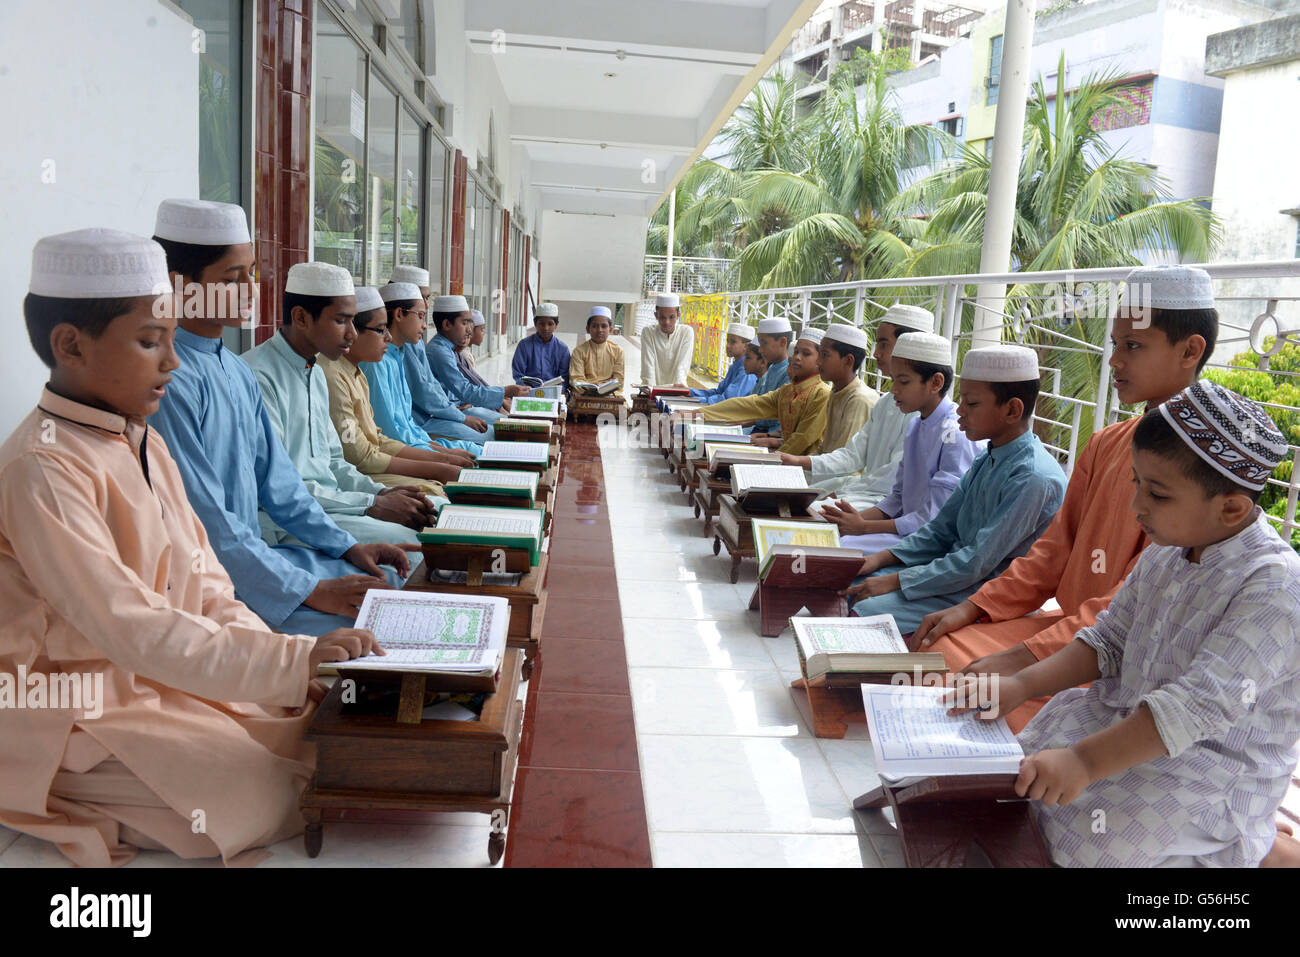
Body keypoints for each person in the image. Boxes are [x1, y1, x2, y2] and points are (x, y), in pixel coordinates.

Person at [0, 227, 382, 866]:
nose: (173, 363)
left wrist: (285, 662)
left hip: (155, 675)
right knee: (264, 794)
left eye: (173, 340)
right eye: (151, 342)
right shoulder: (43, 466)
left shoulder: (142, 439)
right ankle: (55, 784)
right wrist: (287, 662)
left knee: (317, 726)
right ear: (70, 345)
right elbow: (128, 627)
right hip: (75, 701)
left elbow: (208, 582)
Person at [951, 382, 1298, 868]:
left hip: (1209, 763)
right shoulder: (1166, 551)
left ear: (1232, 508)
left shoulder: (1276, 586)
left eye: (1157, 493)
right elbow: (1108, 641)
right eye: (1136, 483)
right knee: (1015, 777)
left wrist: (1085, 762)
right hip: (1127, 722)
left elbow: (1194, 709)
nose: (1137, 507)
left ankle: (1259, 851)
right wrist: (1018, 685)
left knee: (1082, 839)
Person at [912, 265, 1220, 731]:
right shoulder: (1107, 443)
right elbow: (1053, 552)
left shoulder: (1209, 467)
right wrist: (972, 607)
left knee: (993, 697)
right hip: (1063, 632)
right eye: (1115, 344)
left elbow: (1131, 608)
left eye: (1133, 346)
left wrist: (1024, 658)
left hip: (1120, 661)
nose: (1114, 361)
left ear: (1190, 350)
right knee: (940, 653)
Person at [146, 203, 410, 638]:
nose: (252, 289)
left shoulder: (233, 370)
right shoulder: (169, 380)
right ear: (181, 286)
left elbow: (281, 485)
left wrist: (347, 545)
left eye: (252, 273)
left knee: (385, 583)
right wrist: (308, 589)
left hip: (254, 557)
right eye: (234, 279)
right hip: (211, 578)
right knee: (367, 624)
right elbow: (210, 523)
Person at [844, 344, 1067, 634]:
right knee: (854, 581)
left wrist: (897, 580)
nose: (959, 411)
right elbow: (940, 530)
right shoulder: (988, 457)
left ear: (1012, 409)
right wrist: (879, 560)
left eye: (971, 404)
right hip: (954, 575)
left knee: (867, 612)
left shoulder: (1034, 477)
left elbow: (977, 562)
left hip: (987, 593)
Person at [244, 276, 437, 547]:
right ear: (301, 318)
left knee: (433, 511)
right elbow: (277, 488)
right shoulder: (258, 377)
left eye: (353, 321)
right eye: (341, 321)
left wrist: (382, 491)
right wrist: (371, 503)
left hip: (334, 503)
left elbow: (334, 462)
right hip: (288, 520)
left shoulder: (315, 372)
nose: (352, 334)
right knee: (414, 544)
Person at [825, 331, 982, 556]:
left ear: (936, 382)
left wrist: (864, 527)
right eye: (893, 380)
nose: (894, 390)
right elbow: (898, 497)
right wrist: (854, 521)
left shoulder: (955, 435)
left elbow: (932, 520)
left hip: (932, 543)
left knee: (838, 549)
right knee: (830, 537)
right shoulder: (916, 426)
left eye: (904, 381)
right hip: (907, 532)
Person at [319, 288, 473, 493]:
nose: (388, 337)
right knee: (435, 493)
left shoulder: (357, 371)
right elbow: (359, 455)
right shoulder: (336, 374)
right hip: (353, 472)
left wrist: (442, 459)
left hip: (385, 455)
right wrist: (437, 466)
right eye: (381, 330)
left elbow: (377, 437)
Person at [781, 304, 931, 510]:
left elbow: (892, 479)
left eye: (883, 345)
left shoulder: (922, 412)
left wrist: (840, 492)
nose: (876, 354)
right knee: (788, 495)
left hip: (884, 500)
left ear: (909, 346)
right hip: (862, 489)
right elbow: (853, 455)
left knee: (803, 508)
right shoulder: (886, 401)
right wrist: (797, 461)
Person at [367, 282, 485, 452]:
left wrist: (446, 451)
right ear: (399, 314)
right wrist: (444, 457)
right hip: (411, 442)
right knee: (483, 447)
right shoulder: (377, 362)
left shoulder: (397, 355)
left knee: (477, 449)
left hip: (418, 435)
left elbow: (410, 429)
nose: (424, 325)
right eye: (421, 316)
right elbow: (393, 436)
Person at [697, 327, 830, 455]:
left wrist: (774, 457)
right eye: (796, 352)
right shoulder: (787, 391)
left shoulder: (822, 394)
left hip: (805, 468)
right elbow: (751, 404)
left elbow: (803, 438)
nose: (797, 357)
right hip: (783, 457)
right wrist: (700, 413)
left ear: (821, 359)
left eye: (806, 353)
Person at [427, 294, 529, 424]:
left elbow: (462, 391)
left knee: (505, 422)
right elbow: (465, 390)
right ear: (447, 324)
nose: (469, 330)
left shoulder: (449, 349)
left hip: (459, 408)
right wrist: (505, 391)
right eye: (464, 323)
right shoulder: (439, 351)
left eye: (470, 323)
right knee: (498, 430)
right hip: (443, 417)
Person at [816, 323, 878, 454]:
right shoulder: (837, 391)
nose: (818, 361)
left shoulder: (859, 399)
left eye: (825, 355)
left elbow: (844, 460)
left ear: (848, 360)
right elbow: (826, 449)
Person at [690, 322, 758, 405]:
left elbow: (728, 401)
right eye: (727, 341)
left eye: (733, 342)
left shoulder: (747, 371)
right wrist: (690, 392)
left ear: (746, 346)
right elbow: (719, 392)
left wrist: (698, 400)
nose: (728, 346)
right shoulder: (735, 366)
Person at [640, 291, 694, 388]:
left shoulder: (686, 332)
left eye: (671, 317)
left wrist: (678, 387)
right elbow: (648, 367)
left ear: (678, 315)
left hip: (676, 390)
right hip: (652, 390)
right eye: (662, 317)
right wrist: (651, 390)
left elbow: (682, 365)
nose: (667, 322)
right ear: (656, 315)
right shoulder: (648, 332)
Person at [748, 316, 792, 434]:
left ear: (783, 342)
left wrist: (748, 420)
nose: (761, 350)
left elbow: (775, 414)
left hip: (772, 435)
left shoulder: (789, 373)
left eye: (764, 344)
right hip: (758, 430)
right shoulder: (772, 368)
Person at [512, 302, 570, 386]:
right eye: (542, 324)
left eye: (550, 324)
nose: (546, 328)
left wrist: (560, 391)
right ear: (535, 324)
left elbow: (564, 377)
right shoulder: (524, 345)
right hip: (528, 391)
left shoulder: (562, 349)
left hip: (553, 392)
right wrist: (526, 389)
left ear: (556, 325)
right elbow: (518, 374)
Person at [569, 307, 626, 392]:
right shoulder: (579, 351)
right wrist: (592, 389)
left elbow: (619, 380)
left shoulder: (618, 351)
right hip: (585, 394)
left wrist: (603, 389)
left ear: (610, 330)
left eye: (604, 326)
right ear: (588, 329)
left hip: (610, 394)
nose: (599, 330)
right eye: (595, 326)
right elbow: (576, 379)